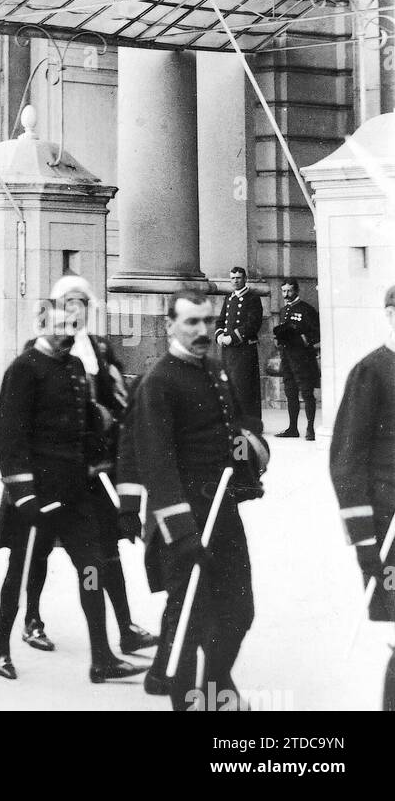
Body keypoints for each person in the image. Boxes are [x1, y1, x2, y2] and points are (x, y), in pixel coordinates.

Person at [0, 286, 145, 685]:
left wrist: (103, 442)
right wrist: (22, 494)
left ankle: (102, 657)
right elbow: (8, 437)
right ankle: (0, 647)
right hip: (36, 497)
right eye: (61, 325)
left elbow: (86, 423)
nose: (69, 332)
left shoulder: (75, 366)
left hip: (75, 492)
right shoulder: (24, 368)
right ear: (43, 323)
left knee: (91, 568)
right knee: (20, 573)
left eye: (74, 326)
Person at [118, 290, 267, 711]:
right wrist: (183, 534)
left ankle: (217, 681)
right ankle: (188, 701)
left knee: (240, 609)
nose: (203, 331)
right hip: (183, 520)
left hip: (223, 511)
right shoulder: (158, 381)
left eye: (206, 321)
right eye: (191, 323)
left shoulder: (216, 371)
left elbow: (235, 430)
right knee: (189, 618)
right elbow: (156, 465)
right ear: (170, 326)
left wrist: (248, 457)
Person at [22, 276, 157, 660]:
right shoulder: (38, 350)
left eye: (82, 301)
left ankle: (125, 626)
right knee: (39, 549)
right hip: (51, 470)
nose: (76, 309)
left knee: (103, 550)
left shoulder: (99, 348)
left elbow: (119, 400)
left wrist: (115, 424)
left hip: (96, 467)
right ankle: (32, 618)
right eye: (69, 302)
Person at [329, 285, 395, 710]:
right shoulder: (371, 371)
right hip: (390, 527)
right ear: (390, 314)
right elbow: (346, 460)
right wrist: (364, 541)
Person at [272, 278, 321, 439]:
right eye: (284, 291)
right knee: (290, 393)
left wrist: (302, 339)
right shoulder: (283, 310)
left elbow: (316, 333)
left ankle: (310, 429)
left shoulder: (307, 310)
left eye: (289, 291)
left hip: (303, 359)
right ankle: (292, 428)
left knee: (307, 393)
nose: (286, 294)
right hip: (287, 358)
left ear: (297, 291)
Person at [217, 265, 264, 419]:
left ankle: (248, 421)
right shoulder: (229, 298)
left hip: (244, 349)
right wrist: (219, 336)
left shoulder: (253, 298)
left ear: (245, 279)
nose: (235, 281)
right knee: (229, 384)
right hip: (228, 350)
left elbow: (253, 324)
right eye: (232, 278)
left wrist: (233, 337)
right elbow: (221, 320)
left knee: (243, 386)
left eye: (238, 278)